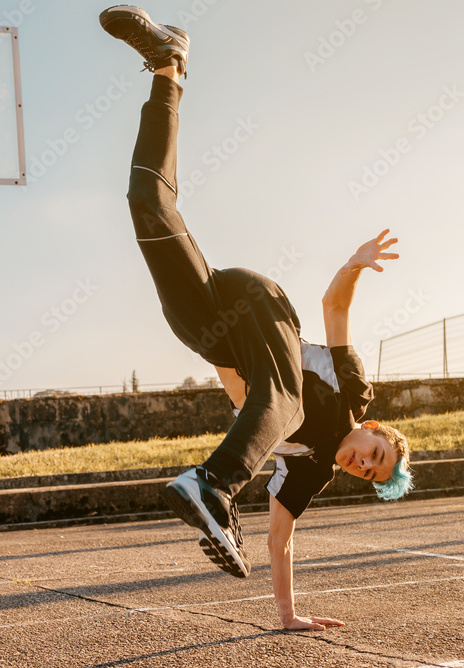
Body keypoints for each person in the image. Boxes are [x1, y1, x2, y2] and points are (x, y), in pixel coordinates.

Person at [100, 5, 414, 630]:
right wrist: (353, 264)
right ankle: (214, 486)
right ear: (373, 428)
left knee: (147, 203)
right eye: (374, 453)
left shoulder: (304, 471)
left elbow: (279, 541)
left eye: (368, 472)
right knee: (289, 400)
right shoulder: (353, 392)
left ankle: (167, 66)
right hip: (260, 304)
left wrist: (287, 617)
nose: (361, 463)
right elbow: (332, 309)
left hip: (210, 329)